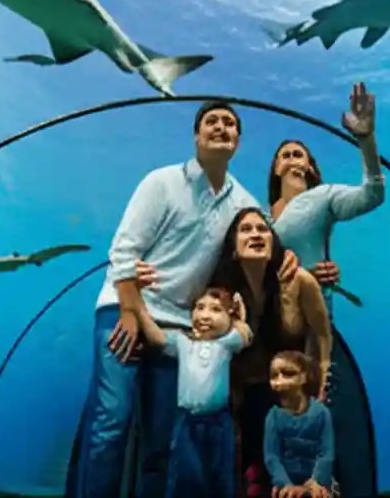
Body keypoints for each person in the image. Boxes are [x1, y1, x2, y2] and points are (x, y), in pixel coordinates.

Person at [71, 101, 261, 498]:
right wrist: (130, 310)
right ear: (196, 135)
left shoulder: (244, 204)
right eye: (211, 121)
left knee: (162, 439)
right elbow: (124, 250)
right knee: (112, 422)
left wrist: (297, 261)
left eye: (229, 123)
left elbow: (266, 240)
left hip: (178, 327)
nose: (220, 127)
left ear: (238, 141)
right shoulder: (161, 182)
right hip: (123, 307)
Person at [210, 207, 332, 497]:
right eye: (246, 229)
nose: (256, 234)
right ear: (233, 248)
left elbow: (322, 333)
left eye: (262, 229)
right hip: (243, 398)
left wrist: (321, 379)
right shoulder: (221, 293)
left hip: (291, 395)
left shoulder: (298, 280)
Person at [268, 81, 385, 316]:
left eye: (298, 155)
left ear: (310, 167)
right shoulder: (258, 218)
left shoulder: (324, 196)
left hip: (314, 319)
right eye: (285, 156)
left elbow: (373, 194)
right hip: (270, 317)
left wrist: (366, 139)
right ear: (276, 168)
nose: (292, 159)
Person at [133, 286, 253, 498]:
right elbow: (157, 337)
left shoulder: (226, 344)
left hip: (219, 422)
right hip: (187, 421)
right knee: (185, 472)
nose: (205, 315)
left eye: (216, 309)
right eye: (200, 307)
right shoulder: (182, 342)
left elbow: (245, 333)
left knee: (220, 473)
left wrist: (238, 313)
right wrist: (139, 309)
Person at [264, 351, 335, 498]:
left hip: (317, 484)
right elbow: (272, 456)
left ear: (304, 376)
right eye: (274, 375)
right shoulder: (274, 416)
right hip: (286, 483)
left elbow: (326, 452)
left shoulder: (321, 413)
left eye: (288, 373)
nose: (280, 379)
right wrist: (285, 483)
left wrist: (317, 480)